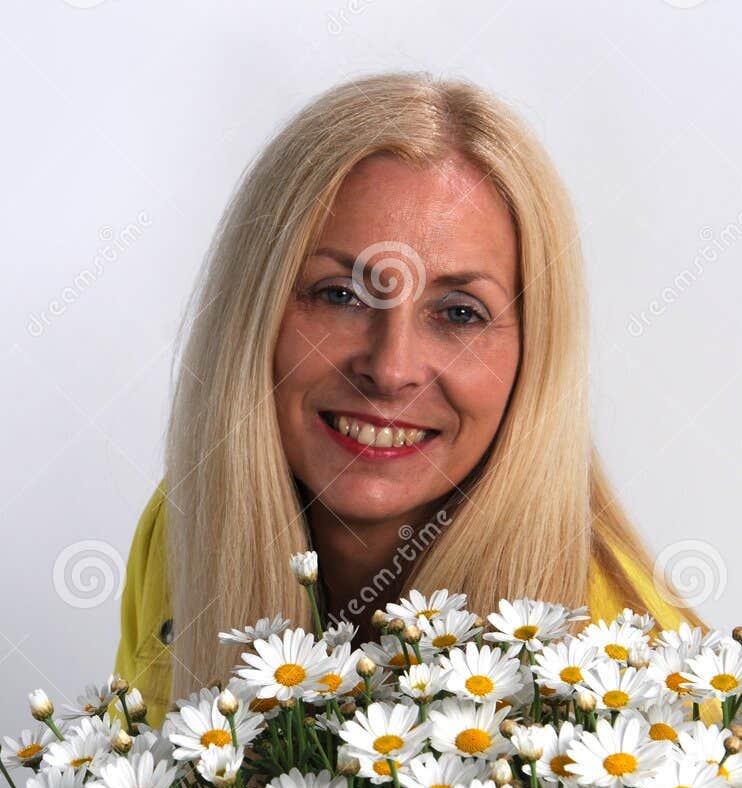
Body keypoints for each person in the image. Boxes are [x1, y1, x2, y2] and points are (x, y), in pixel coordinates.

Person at [115, 72, 699, 726]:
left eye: (459, 312)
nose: (391, 369)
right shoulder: (187, 524)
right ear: (253, 314)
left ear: (535, 355)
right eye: (341, 295)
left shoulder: (626, 667)